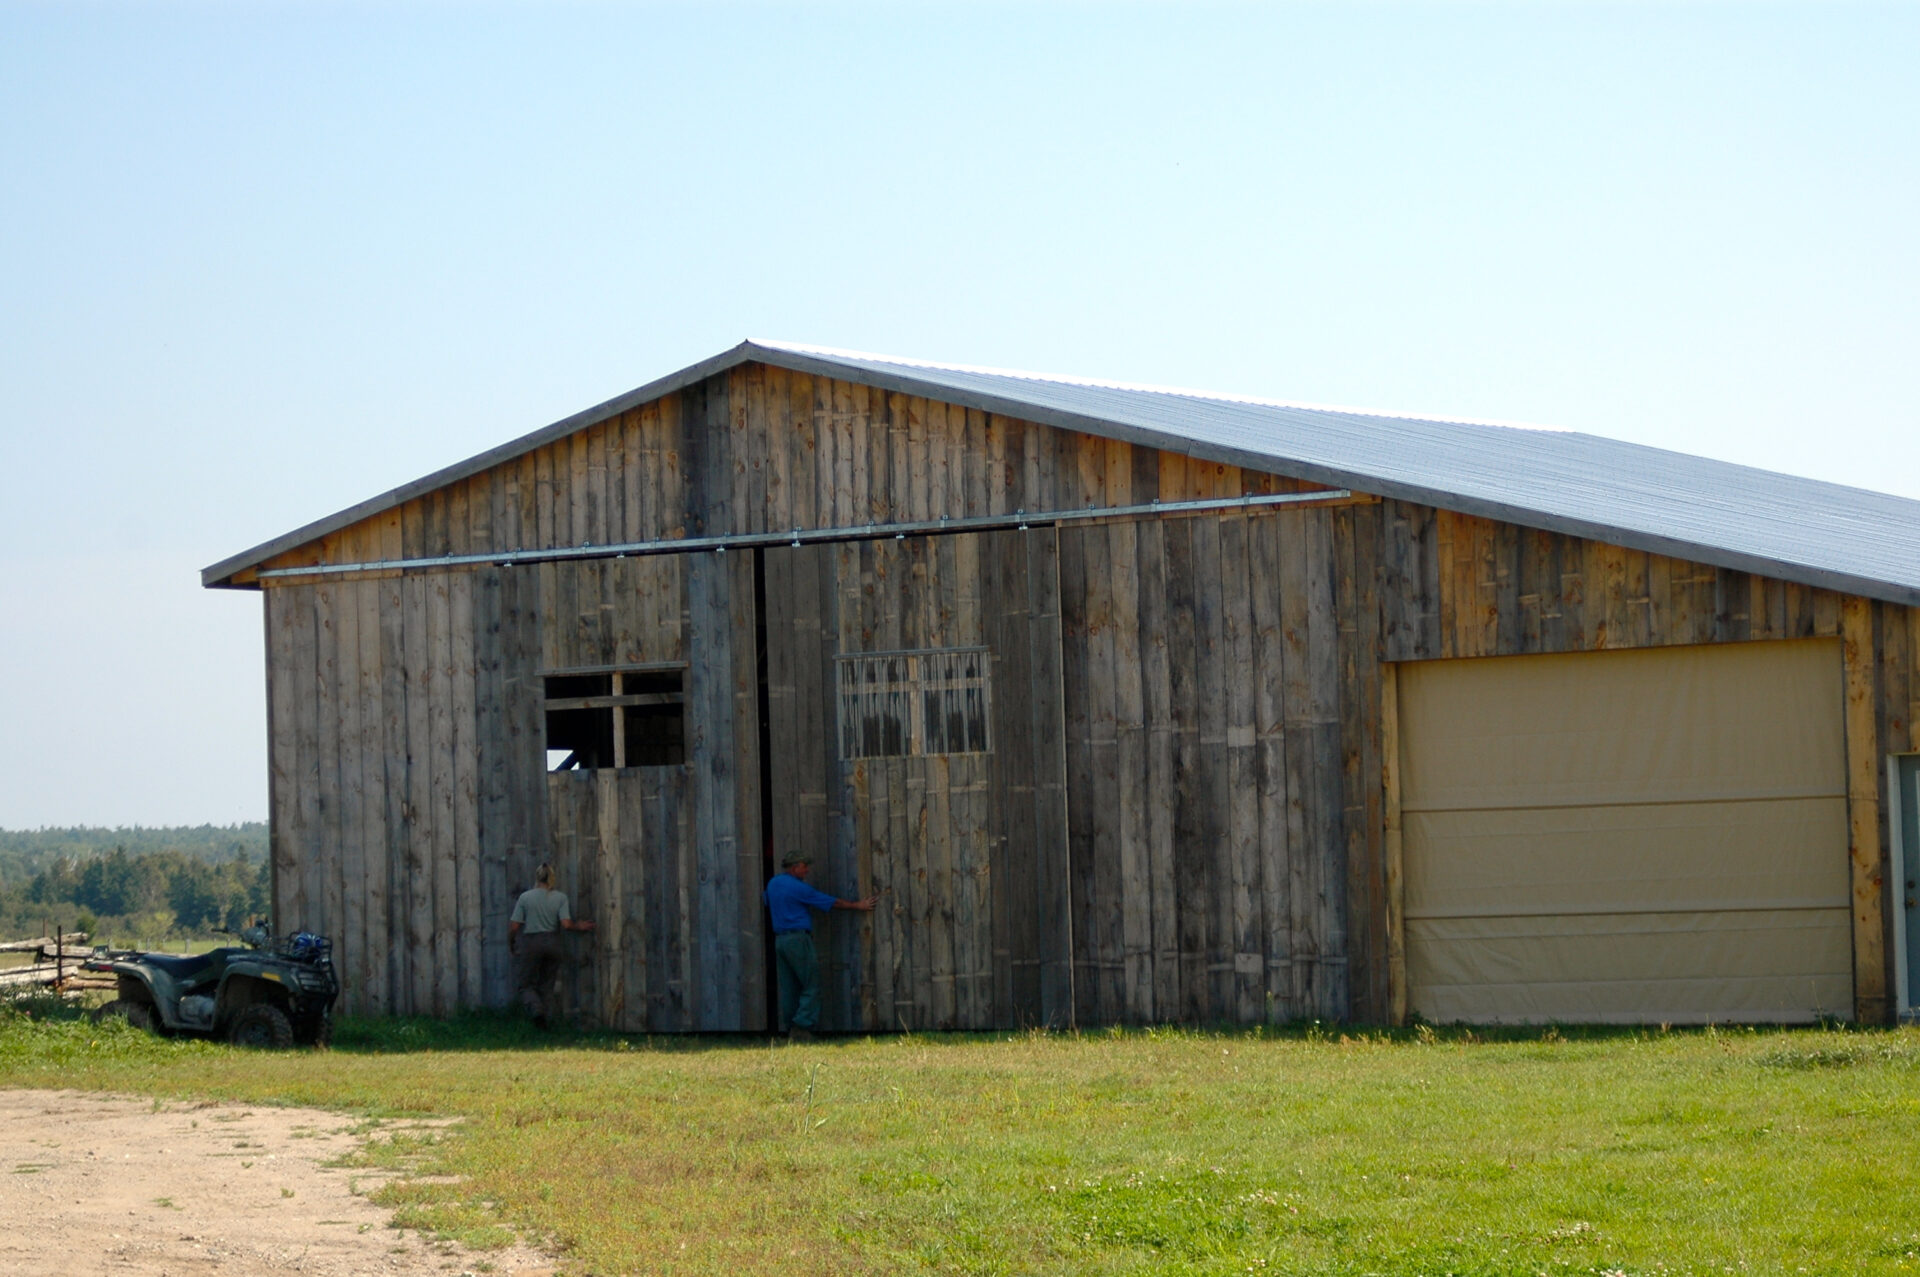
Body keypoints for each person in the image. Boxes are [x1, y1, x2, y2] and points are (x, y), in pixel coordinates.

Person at [764, 851, 877, 1042]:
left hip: (780, 940)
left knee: (789, 987)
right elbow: (831, 902)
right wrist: (857, 905)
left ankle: (791, 1028)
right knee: (812, 983)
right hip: (798, 939)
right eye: (803, 866)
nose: (807, 870)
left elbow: (767, 901)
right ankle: (802, 1027)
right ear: (794, 867)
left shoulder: (773, 883)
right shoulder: (799, 888)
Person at [508, 863, 595, 1029]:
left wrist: (511, 942)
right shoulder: (560, 898)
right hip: (553, 943)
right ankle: (546, 1023)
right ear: (552, 878)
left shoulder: (525, 897)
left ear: (537, 877)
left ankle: (536, 1011)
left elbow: (514, 926)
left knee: (525, 985)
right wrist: (581, 926)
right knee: (547, 984)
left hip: (531, 943)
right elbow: (567, 925)